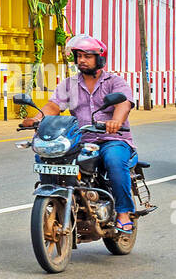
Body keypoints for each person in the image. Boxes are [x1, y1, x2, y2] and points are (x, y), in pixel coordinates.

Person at [26, 34, 138, 232]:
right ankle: (55, 201)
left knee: (114, 160)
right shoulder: (70, 84)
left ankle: (123, 212)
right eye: (79, 56)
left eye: (87, 56)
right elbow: (54, 105)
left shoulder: (114, 82)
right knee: (47, 155)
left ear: (100, 58)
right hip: (80, 140)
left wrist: (115, 121)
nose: (82, 60)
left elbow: (123, 103)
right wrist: (37, 119)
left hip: (111, 139)